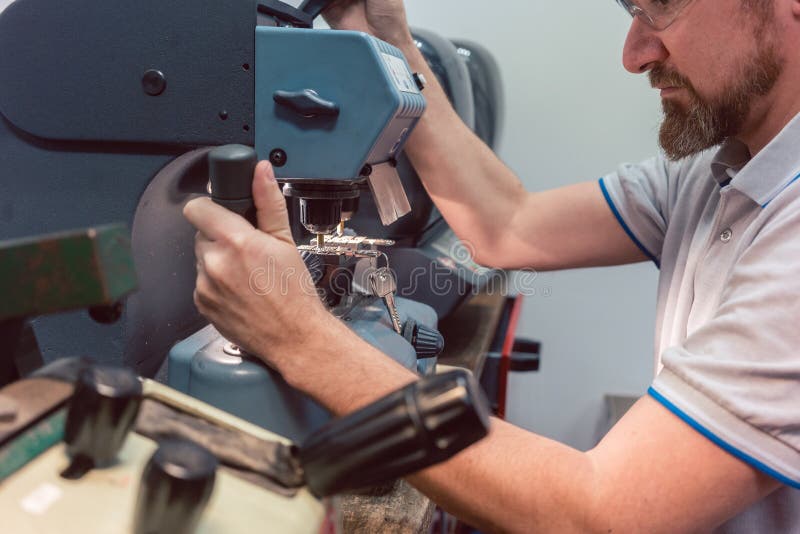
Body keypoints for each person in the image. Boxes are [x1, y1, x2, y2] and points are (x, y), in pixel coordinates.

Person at [183, 0, 800, 531]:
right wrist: (384, 39)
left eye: (663, 5)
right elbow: (508, 224)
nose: (634, 53)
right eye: (631, 11)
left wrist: (301, 340)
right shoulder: (720, 167)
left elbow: (601, 510)